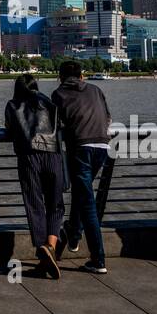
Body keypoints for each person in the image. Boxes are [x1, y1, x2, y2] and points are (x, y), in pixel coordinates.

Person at [52, 60, 111, 274]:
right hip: (102, 146)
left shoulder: (58, 94)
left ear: (60, 77)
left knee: (87, 203)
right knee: (82, 192)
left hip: (80, 148)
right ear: (82, 76)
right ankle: (74, 234)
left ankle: (99, 259)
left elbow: (55, 125)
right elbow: (108, 117)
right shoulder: (96, 90)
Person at [5, 73, 67, 278]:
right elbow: (61, 126)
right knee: (55, 203)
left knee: (34, 203)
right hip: (53, 154)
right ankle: (50, 246)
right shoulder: (49, 102)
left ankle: (43, 249)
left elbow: (10, 129)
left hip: (28, 156)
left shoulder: (13, 105)